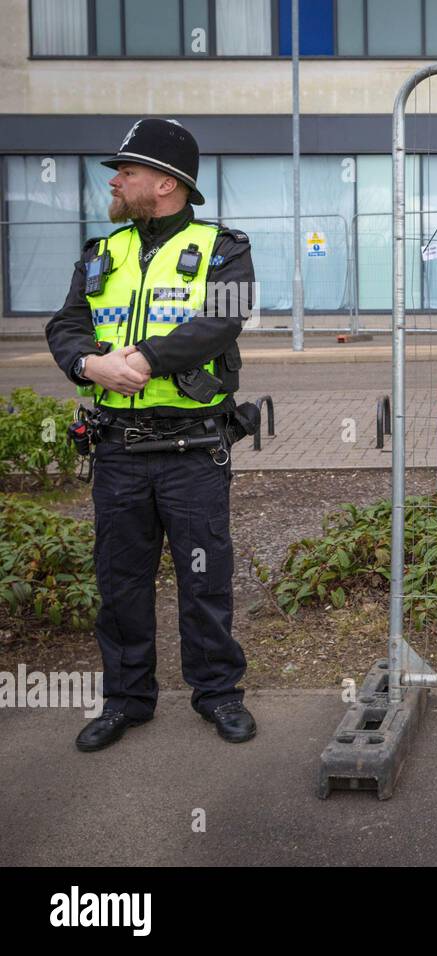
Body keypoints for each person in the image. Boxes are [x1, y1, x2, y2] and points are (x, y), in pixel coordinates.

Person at [45, 118, 258, 751]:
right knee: (120, 583)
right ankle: (127, 700)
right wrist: (89, 364)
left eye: (127, 171)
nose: (116, 180)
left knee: (204, 579)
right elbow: (66, 325)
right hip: (115, 450)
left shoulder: (225, 248)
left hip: (192, 449)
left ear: (165, 183)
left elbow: (222, 320)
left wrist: (138, 358)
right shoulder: (101, 252)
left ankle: (218, 694)